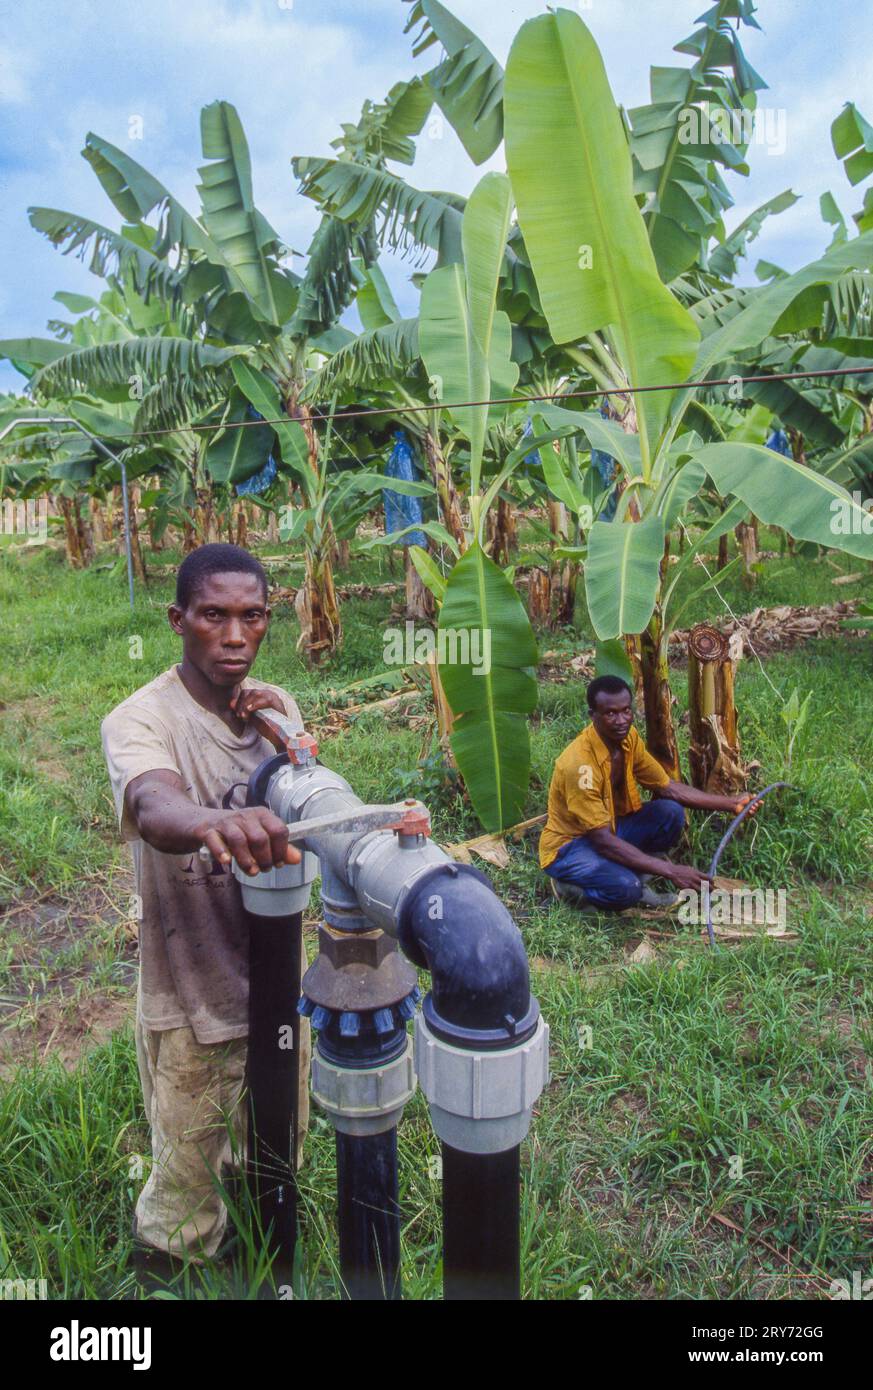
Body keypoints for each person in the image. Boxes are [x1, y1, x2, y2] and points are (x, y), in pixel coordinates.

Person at [101, 543, 310, 1285]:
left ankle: (265, 1250)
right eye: (212, 616)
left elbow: (310, 784)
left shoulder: (275, 704)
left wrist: (283, 734)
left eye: (251, 617)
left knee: (279, 1141)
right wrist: (209, 822)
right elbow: (155, 806)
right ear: (178, 619)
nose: (233, 636)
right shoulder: (141, 719)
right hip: (193, 985)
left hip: (280, 975)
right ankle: (166, 1275)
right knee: (187, 1170)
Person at [539, 674, 758, 911]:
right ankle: (572, 890)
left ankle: (632, 870)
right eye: (610, 713)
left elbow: (667, 787)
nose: (621, 720)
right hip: (571, 846)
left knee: (670, 813)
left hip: (610, 829)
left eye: (626, 711)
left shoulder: (628, 738)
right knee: (626, 888)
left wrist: (731, 804)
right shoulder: (580, 766)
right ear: (593, 716)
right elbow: (601, 841)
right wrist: (671, 871)